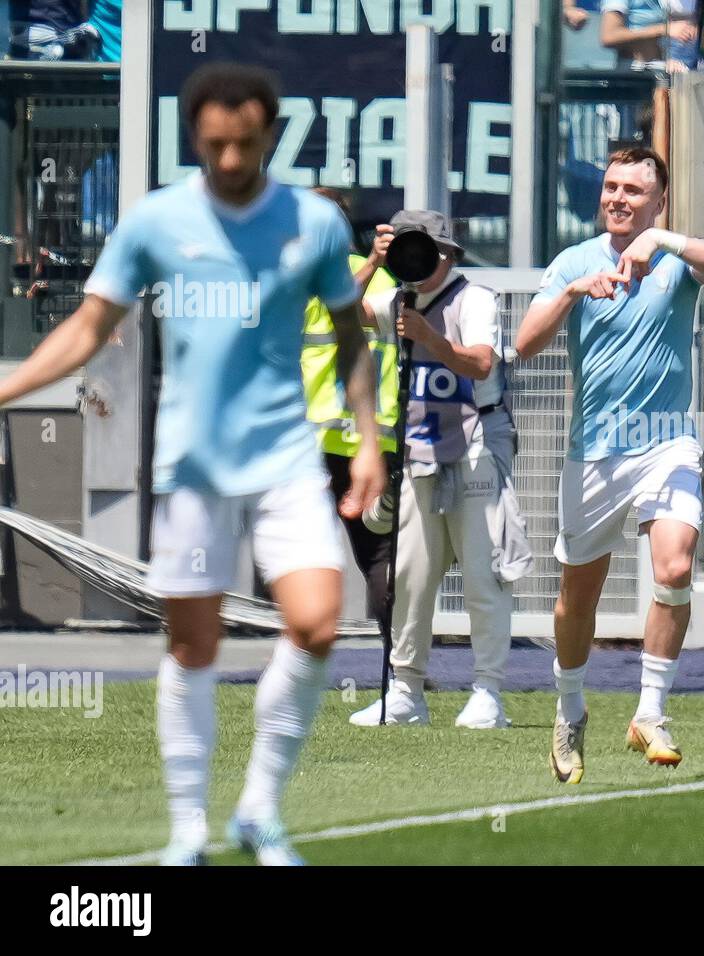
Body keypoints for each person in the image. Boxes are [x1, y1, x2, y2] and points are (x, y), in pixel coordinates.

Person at [0, 64, 386, 865]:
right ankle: (187, 832)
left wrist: (369, 438)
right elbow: (87, 327)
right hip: (194, 471)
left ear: (270, 136)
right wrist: (15, 382)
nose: (232, 161)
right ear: (195, 139)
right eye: (215, 146)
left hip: (284, 460)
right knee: (193, 648)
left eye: (245, 144)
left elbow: (352, 336)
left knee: (315, 625)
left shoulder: (310, 225)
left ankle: (259, 809)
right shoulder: (155, 222)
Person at [516, 147, 704, 783]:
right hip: (594, 455)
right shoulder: (573, 262)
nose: (617, 197)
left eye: (634, 191)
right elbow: (524, 344)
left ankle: (651, 710)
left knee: (674, 566)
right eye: (611, 187)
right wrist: (572, 292)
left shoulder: (674, 257)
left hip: (668, 445)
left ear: (658, 201)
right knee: (575, 601)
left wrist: (663, 240)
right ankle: (570, 710)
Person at [349, 210, 533, 731]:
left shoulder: (473, 298)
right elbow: (341, 309)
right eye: (407, 248)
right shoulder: (398, 298)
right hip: (420, 451)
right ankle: (404, 690)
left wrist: (430, 338)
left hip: (476, 445)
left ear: (448, 254)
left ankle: (487, 692)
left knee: (484, 572)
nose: (419, 261)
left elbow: (480, 364)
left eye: (425, 249)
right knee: (410, 574)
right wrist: (373, 261)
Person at [300, 189, 398, 635]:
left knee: (379, 558)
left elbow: (351, 309)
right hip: (323, 444)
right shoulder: (306, 277)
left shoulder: (311, 277)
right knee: (305, 557)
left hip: (356, 444)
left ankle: (398, 671)